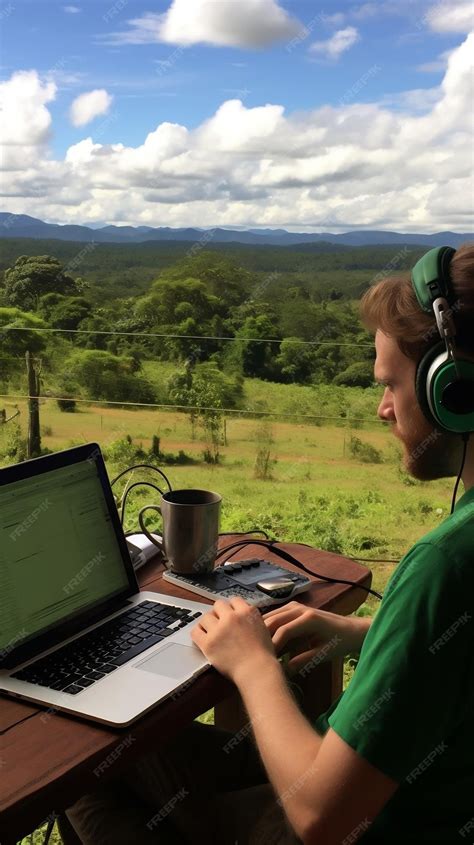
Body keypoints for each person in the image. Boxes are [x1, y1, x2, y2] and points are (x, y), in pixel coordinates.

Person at [67, 245, 474, 844]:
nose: (383, 408)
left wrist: (254, 665)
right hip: (403, 787)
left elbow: (322, 819)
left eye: (390, 384)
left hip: (355, 816)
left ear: (454, 389)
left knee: (86, 767)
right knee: (120, 752)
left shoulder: (446, 563)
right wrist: (363, 633)